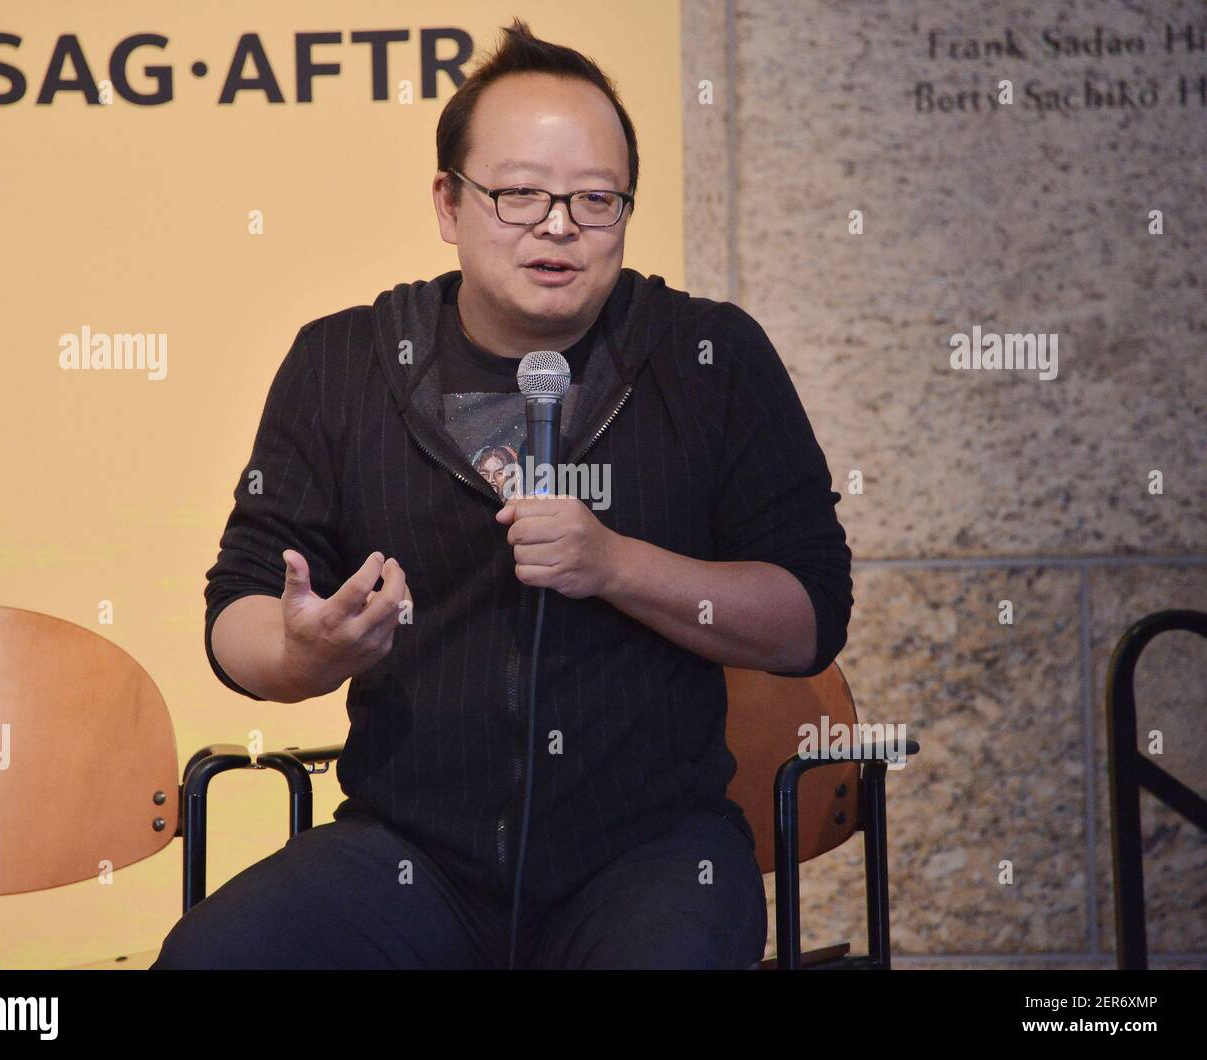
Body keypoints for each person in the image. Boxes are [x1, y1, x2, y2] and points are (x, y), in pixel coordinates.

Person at [151, 18, 851, 970]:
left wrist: (616, 565)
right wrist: (303, 653)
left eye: (595, 199)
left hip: (649, 855)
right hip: (409, 854)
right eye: (519, 194)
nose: (557, 226)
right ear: (448, 202)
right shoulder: (344, 360)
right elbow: (236, 609)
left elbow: (808, 616)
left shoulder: (711, 358)